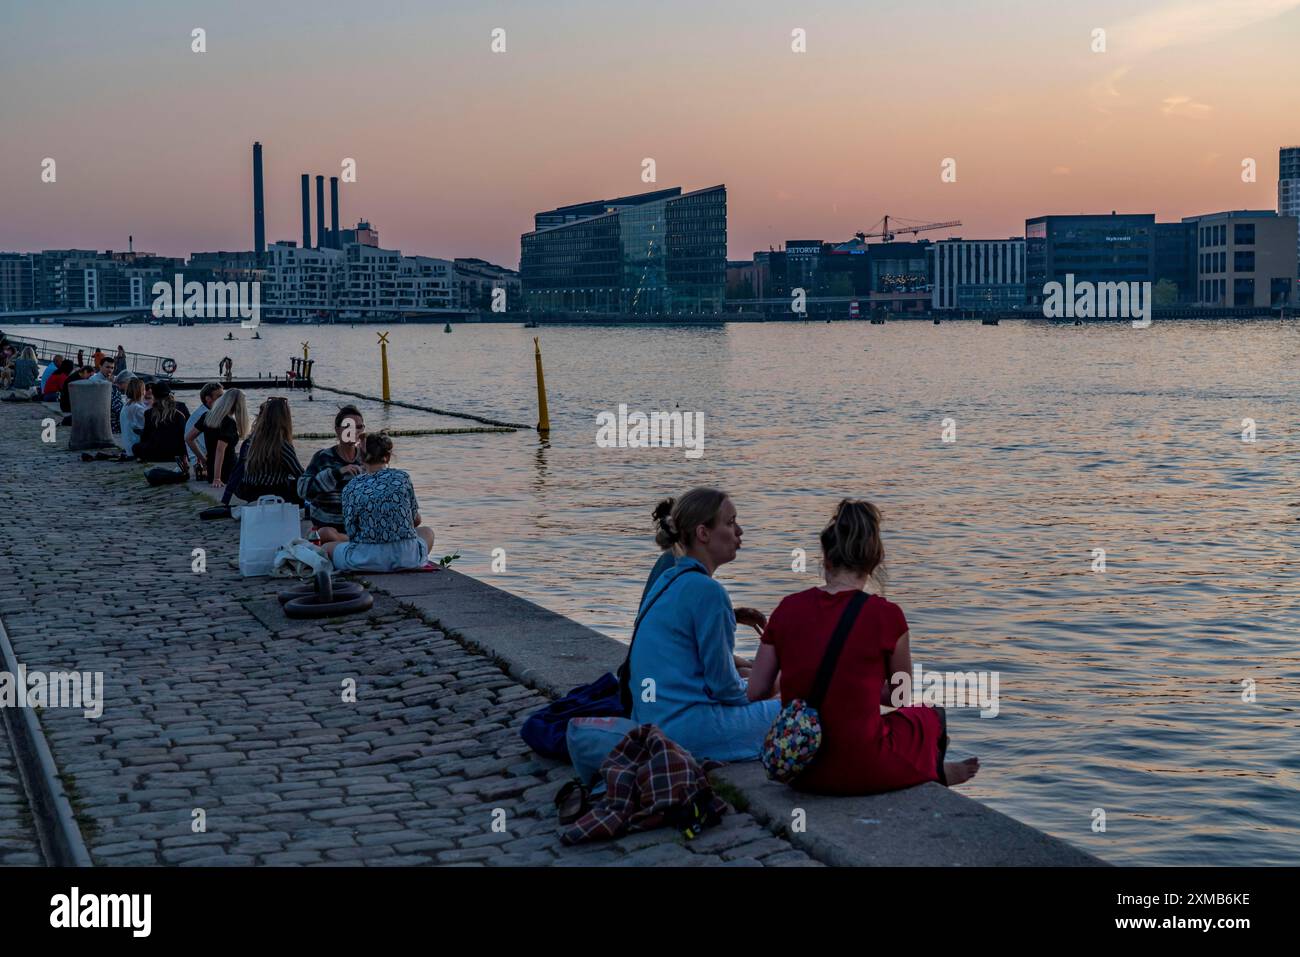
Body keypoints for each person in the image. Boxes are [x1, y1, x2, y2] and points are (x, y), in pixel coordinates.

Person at [747, 500, 980, 795]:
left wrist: (798, 678)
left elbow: (756, 691)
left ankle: (933, 770)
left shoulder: (787, 609)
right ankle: (935, 771)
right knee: (930, 714)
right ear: (873, 562)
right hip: (863, 769)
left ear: (826, 558)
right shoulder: (888, 615)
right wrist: (862, 686)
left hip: (801, 769)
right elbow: (898, 697)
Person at [628, 488, 780, 762]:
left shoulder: (669, 579)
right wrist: (766, 691)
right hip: (688, 733)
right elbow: (724, 688)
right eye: (730, 522)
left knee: (757, 676)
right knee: (803, 705)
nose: (740, 531)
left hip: (651, 720)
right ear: (703, 533)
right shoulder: (710, 592)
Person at [319, 432, 434, 571]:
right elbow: (414, 521)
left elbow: (352, 532)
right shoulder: (402, 477)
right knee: (427, 532)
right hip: (406, 558)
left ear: (361, 458)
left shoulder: (351, 486)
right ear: (388, 457)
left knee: (326, 548)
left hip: (367, 559)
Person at [298, 405, 366, 532]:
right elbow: (302, 490)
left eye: (359, 427)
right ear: (337, 430)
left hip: (359, 523)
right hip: (329, 523)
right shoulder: (323, 457)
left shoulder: (367, 458)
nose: (354, 431)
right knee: (327, 533)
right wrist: (336, 474)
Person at [234, 397, 303, 502]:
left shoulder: (252, 441)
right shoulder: (281, 445)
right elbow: (300, 473)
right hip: (272, 493)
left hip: (249, 491)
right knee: (304, 487)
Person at [199, 387, 248, 488]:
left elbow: (188, 438)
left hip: (211, 470)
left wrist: (203, 459)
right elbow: (220, 450)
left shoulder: (207, 416)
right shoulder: (229, 422)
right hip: (228, 472)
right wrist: (217, 478)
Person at [132, 381, 191, 463]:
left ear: (154, 396)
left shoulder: (149, 413)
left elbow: (146, 436)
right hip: (178, 452)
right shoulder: (181, 407)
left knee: (135, 447)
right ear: (170, 394)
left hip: (156, 452)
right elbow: (189, 428)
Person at [184, 382, 224, 480]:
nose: (223, 400)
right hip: (201, 462)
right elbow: (211, 445)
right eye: (219, 396)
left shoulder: (203, 411)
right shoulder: (206, 415)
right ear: (208, 399)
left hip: (199, 459)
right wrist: (205, 461)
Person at [118, 378, 147, 454]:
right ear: (140, 391)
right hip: (134, 446)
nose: (145, 392)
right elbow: (147, 425)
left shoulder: (127, 405)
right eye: (144, 389)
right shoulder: (137, 408)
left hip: (127, 445)